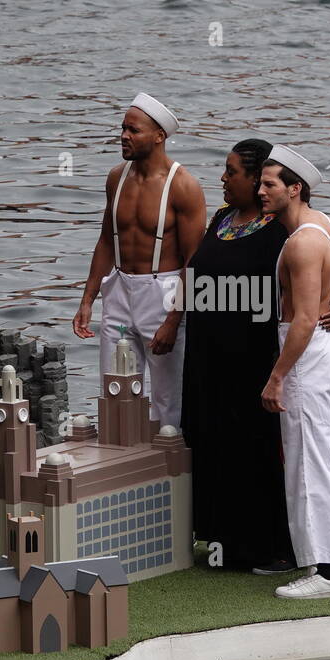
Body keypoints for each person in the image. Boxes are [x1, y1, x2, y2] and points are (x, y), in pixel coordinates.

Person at [182, 139, 330, 574]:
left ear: (258, 181)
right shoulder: (220, 220)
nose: (223, 179)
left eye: (232, 172)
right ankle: (222, 542)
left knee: (260, 449)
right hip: (209, 359)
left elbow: (324, 283)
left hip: (257, 360)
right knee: (213, 443)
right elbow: (192, 276)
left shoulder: (284, 230)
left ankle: (276, 547)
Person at [258, 144, 330, 598]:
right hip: (326, 353)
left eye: (269, 185)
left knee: (307, 465)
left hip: (305, 357)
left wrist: (277, 376)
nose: (260, 192)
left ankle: (327, 575)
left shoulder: (302, 243)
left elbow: (301, 319)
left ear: (294, 189)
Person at [73, 94, 206, 428]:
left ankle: (170, 468)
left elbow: (195, 260)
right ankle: (118, 460)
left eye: (133, 130)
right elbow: (106, 240)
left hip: (163, 291)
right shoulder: (116, 177)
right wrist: (88, 300)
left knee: (166, 397)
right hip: (118, 289)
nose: (123, 136)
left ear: (158, 136)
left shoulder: (184, 186)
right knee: (115, 387)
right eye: (122, 128)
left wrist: (174, 320)